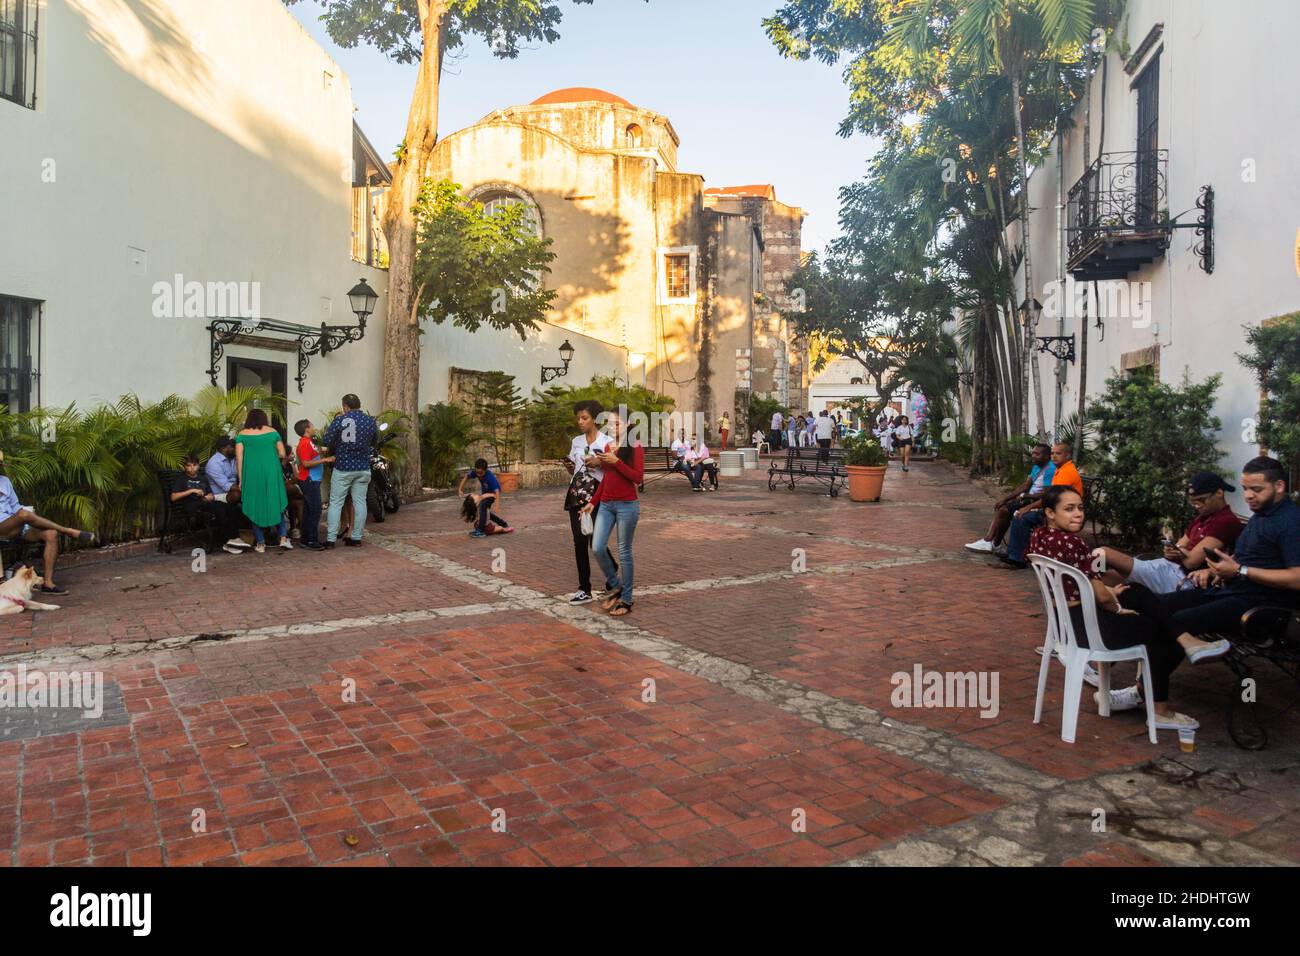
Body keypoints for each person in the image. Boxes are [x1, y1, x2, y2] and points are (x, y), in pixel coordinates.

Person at [1027, 485, 1229, 735]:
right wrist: (1117, 608)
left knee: (1134, 591)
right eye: (1068, 509)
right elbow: (1102, 596)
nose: (1078, 514)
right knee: (1163, 628)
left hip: (1068, 625)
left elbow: (1079, 586)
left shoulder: (1039, 536)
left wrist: (1114, 594)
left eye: (1080, 508)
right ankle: (1160, 709)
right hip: (1097, 631)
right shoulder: (1074, 544)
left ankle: (1187, 642)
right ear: (1050, 512)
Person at [1153, 456, 1300, 636]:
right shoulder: (1261, 515)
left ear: (1279, 486)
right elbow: (1254, 557)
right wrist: (1215, 570)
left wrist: (1240, 570)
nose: (1247, 496)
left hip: (1260, 606)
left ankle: (1141, 658)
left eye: (1256, 489)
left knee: (1174, 622)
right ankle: (1118, 650)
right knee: (1152, 604)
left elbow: (1297, 578)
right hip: (1229, 591)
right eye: (1245, 489)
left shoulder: (1291, 522)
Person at [1093, 472, 1243, 593]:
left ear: (1219, 493)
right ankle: (1094, 582)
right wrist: (1171, 551)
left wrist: (1179, 551)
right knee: (1101, 578)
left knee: (1101, 552)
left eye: (1201, 500)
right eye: (1193, 502)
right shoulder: (1202, 518)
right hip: (1166, 568)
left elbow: (1191, 562)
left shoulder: (1226, 522)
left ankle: (1094, 577)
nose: (1197, 505)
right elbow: (1178, 548)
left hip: (1180, 578)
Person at [0, 449, 94, 595]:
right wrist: (24, 515)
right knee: (25, 514)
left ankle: (48, 583)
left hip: (16, 525)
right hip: (1, 528)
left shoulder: (5, 482)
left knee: (50, 533)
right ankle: (68, 531)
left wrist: (29, 515)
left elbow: (15, 506)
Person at [582, 409, 643, 617]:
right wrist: (593, 502)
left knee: (624, 552)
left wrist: (617, 462)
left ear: (627, 425)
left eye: (617, 423)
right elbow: (606, 478)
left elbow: (638, 478)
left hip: (627, 506)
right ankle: (616, 586)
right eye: (609, 423)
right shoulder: (608, 446)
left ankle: (626, 600)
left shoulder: (634, 446)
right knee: (598, 547)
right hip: (606, 505)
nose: (612, 427)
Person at [562, 399, 618, 605]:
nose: (580, 422)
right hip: (577, 493)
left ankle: (612, 571)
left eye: (584, 418)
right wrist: (570, 466)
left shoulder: (607, 441)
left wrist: (599, 461)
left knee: (595, 540)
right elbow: (574, 467)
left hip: (597, 494)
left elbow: (614, 468)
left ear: (594, 419)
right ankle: (584, 588)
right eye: (578, 418)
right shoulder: (576, 441)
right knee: (579, 540)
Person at [1000, 442, 1083, 570]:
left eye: (1058, 453)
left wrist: (1028, 507)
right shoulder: (1061, 469)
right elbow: (1051, 496)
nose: (1054, 456)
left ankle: (1017, 558)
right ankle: (1014, 554)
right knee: (1019, 513)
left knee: (1021, 516)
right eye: (1052, 453)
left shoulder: (1066, 472)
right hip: (1056, 510)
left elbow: (1051, 497)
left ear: (1067, 455)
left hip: (1062, 515)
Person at [965, 443, 1054, 553]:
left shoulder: (1050, 469)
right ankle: (992, 544)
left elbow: (1047, 494)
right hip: (1027, 498)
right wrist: (1006, 498)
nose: (1033, 456)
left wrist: (1027, 496)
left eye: (1037, 454)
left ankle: (991, 542)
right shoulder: (1036, 466)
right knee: (1002, 506)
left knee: (1004, 510)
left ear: (1046, 456)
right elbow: (1025, 485)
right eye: (1033, 453)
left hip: (1036, 502)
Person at [321, 393, 377, 548]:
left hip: (343, 467)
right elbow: (374, 441)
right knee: (360, 502)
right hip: (363, 468)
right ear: (359, 405)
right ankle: (356, 537)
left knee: (336, 502)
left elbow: (326, 440)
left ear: (345, 406)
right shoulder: (370, 421)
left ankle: (331, 539)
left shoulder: (340, 420)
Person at [235, 409, 291, 554]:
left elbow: (239, 458)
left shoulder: (242, 434)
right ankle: (283, 538)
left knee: (254, 504)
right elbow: (282, 453)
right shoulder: (273, 432)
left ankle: (260, 543)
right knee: (276, 500)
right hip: (272, 471)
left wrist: (241, 479)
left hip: (252, 473)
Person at [168, 454, 246, 555]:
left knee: (231, 508)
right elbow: (173, 497)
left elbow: (210, 494)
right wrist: (191, 491)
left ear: (198, 465)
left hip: (205, 503)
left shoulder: (202, 478)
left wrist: (209, 497)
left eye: (194, 465)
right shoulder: (181, 479)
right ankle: (229, 540)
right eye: (189, 466)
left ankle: (233, 539)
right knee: (220, 510)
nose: (192, 468)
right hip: (192, 506)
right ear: (185, 467)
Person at [293, 419, 332, 551]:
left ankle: (306, 539)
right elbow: (306, 463)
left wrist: (322, 453)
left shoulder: (309, 442)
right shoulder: (304, 443)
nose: (314, 428)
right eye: (312, 425)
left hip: (312, 480)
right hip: (309, 480)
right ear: (307, 429)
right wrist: (325, 459)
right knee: (315, 510)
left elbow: (313, 455)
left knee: (309, 511)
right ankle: (311, 540)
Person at [458, 459, 512, 538]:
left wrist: (497, 505)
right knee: (486, 512)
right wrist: (460, 489)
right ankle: (503, 524)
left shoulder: (490, 477)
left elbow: (496, 491)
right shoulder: (476, 472)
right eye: (477, 472)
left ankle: (481, 531)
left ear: (485, 470)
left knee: (483, 506)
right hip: (485, 493)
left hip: (493, 494)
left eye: (480, 473)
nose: (478, 475)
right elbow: (466, 477)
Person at [205, 437, 241, 505]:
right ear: (224, 448)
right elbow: (226, 486)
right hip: (219, 495)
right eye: (233, 446)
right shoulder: (214, 463)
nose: (236, 449)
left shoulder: (233, 459)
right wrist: (246, 490)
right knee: (237, 495)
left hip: (234, 490)